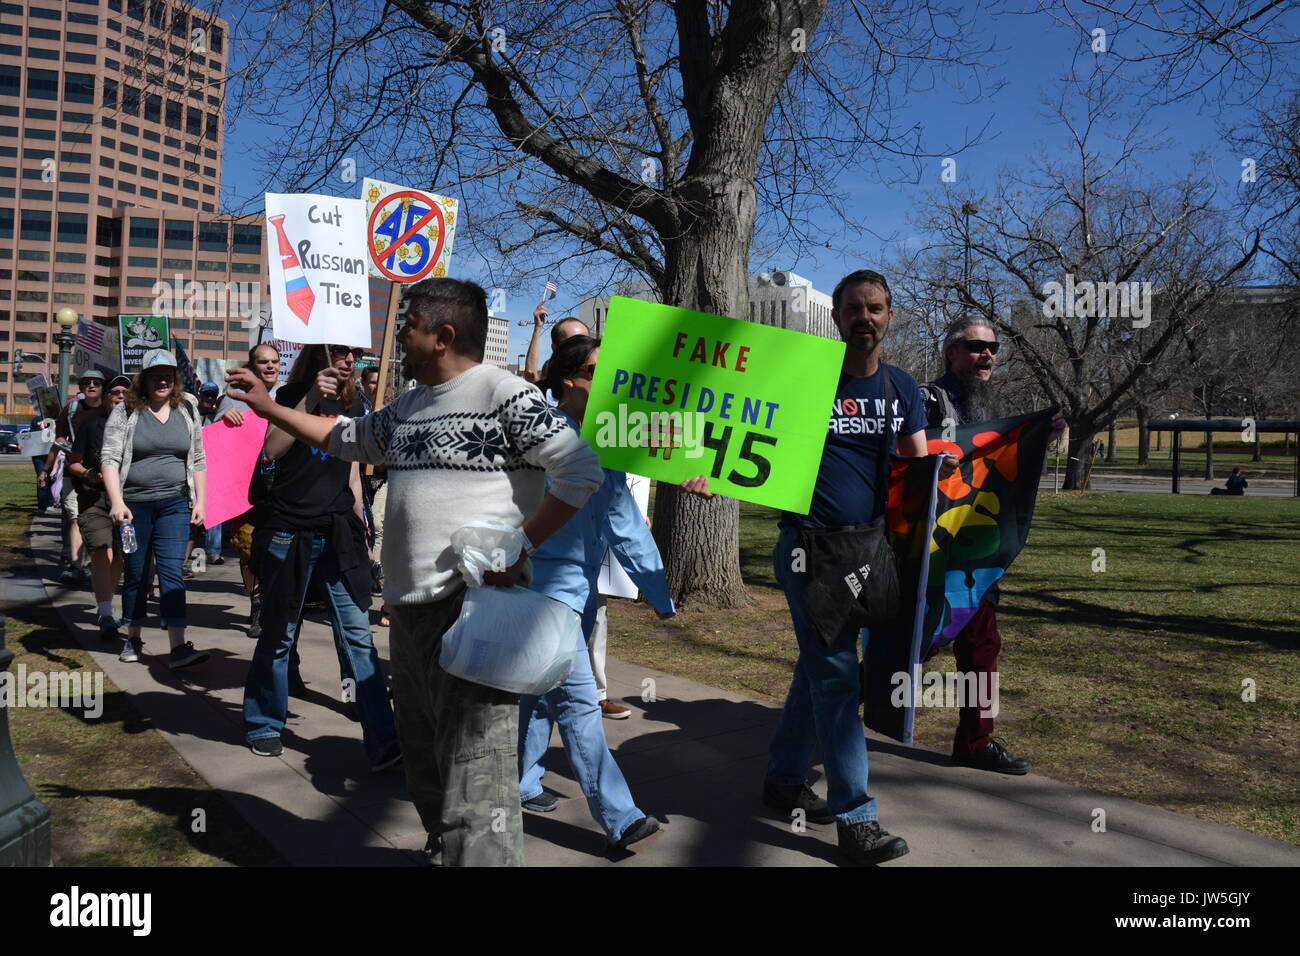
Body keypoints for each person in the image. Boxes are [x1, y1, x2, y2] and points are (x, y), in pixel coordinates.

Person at [226, 277, 605, 867]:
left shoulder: (505, 394)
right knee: (426, 763)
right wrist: (267, 404)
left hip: (475, 611)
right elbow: (345, 438)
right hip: (407, 614)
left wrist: (520, 545)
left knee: (476, 776)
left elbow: (580, 472)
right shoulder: (406, 405)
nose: (398, 336)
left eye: (407, 325)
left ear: (442, 335)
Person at [764, 269, 931, 867]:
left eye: (876, 308)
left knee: (819, 671)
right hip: (810, 551)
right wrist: (711, 476)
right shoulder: (804, 380)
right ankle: (855, 818)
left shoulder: (903, 388)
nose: (866, 317)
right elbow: (744, 435)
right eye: (855, 309)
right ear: (835, 318)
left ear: (890, 316)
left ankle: (784, 778)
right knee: (837, 679)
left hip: (869, 552)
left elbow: (919, 472)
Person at [517, 336, 707, 849]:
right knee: (578, 701)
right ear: (569, 380)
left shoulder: (606, 438)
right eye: (598, 371)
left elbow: (623, 519)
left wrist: (689, 473)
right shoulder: (545, 435)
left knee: (539, 696)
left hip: (576, 586)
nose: (610, 381)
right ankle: (620, 817)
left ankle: (519, 783)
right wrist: (659, 593)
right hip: (544, 588)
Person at [237, 342, 401, 774]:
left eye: (355, 354)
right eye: (342, 352)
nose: (350, 360)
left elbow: (351, 469)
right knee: (279, 635)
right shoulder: (289, 397)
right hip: (288, 532)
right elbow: (271, 450)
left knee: (358, 638)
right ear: (319, 353)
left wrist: (360, 520)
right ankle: (262, 722)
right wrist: (309, 397)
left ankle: (384, 741)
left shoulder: (355, 404)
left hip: (338, 534)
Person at [921, 316, 1066, 775]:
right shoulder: (925, 400)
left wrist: (1044, 435)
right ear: (951, 352)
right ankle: (830, 726)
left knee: (982, 647)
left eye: (993, 348)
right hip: (929, 552)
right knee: (909, 648)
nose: (986, 356)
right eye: (975, 347)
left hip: (977, 556)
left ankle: (974, 742)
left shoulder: (991, 408)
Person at [100, 350, 210, 669]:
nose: (162, 381)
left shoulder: (187, 407)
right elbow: (109, 458)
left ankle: (178, 646)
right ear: (144, 379)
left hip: (175, 503)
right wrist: (117, 502)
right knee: (136, 573)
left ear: (174, 379)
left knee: (172, 571)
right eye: (155, 375)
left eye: (168, 375)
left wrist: (200, 501)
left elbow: (199, 458)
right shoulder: (126, 411)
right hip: (134, 507)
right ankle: (133, 637)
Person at [66, 375, 131, 642]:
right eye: (114, 392)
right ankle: (105, 612)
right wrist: (90, 475)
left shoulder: (138, 426)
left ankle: (107, 602)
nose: (120, 396)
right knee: (102, 552)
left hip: (128, 500)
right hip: (94, 499)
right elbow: (73, 463)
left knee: (119, 554)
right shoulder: (91, 426)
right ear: (105, 397)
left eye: (125, 393)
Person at [224, 343, 281, 638]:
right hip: (244, 488)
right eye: (263, 362)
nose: (270, 366)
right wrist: (226, 417)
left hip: (283, 487)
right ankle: (256, 602)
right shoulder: (234, 397)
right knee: (248, 548)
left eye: (274, 361)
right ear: (252, 365)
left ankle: (274, 602)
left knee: (278, 549)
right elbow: (215, 440)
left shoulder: (290, 395)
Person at [41, 370, 107, 585]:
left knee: (95, 518)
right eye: (86, 382)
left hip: (102, 474)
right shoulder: (71, 409)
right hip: (73, 470)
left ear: (102, 387)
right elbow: (58, 438)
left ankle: (92, 562)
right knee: (76, 517)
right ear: (80, 387)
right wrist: (46, 469)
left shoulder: (111, 410)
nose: (91, 385)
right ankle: (77, 565)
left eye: (96, 382)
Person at [522, 301, 589, 384]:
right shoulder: (550, 387)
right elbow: (530, 375)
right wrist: (538, 328)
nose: (580, 347)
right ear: (555, 348)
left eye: (585, 341)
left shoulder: (599, 377)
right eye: (572, 343)